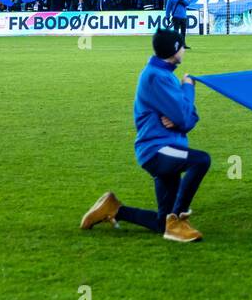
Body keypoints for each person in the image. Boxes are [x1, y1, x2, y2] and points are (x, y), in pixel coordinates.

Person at [80, 29, 209, 243]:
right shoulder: (157, 77)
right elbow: (186, 120)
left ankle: (113, 209)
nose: (184, 52)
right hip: (158, 150)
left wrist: (181, 117)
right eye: (182, 48)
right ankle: (178, 220)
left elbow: (186, 118)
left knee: (161, 223)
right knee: (202, 160)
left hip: (167, 148)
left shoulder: (162, 74)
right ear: (175, 50)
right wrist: (188, 89)